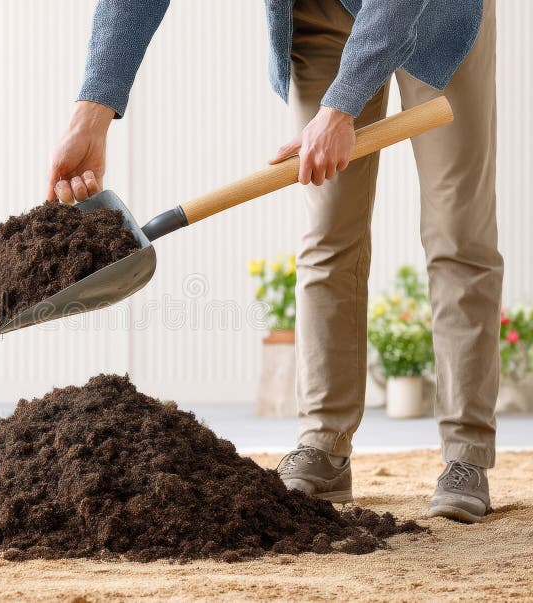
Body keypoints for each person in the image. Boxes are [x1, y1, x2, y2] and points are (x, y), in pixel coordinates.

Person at [46, 0, 502, 524]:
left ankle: (466, 453)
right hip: (322, 13)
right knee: (328, 232)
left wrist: (342, 105)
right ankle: (323, 444)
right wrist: (93, 108)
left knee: (456, 231)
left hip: (436, 12)